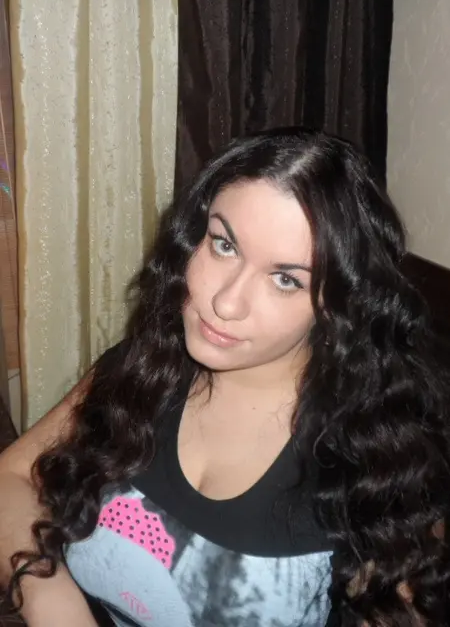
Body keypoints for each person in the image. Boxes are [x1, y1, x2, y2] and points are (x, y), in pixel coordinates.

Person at [0, 128, 449, 627]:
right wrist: (50, 597)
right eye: (224, 244)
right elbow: (11, 477)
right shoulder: (141, 369)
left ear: (337, 304)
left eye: (286, 279)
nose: (225, 302)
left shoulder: (376, 464)